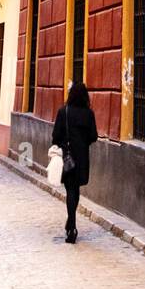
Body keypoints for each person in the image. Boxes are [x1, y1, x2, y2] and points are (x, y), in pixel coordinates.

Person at [52, 82, 98, 243]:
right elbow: (94, 136)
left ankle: (71, 225)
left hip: (67, 157)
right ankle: (71, 222)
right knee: (75, 189)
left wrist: (65, 142)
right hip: (82, 157)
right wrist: (82, 141)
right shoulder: (89, 114)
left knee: (70, 189)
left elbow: (55, 136)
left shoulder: (63, 112)